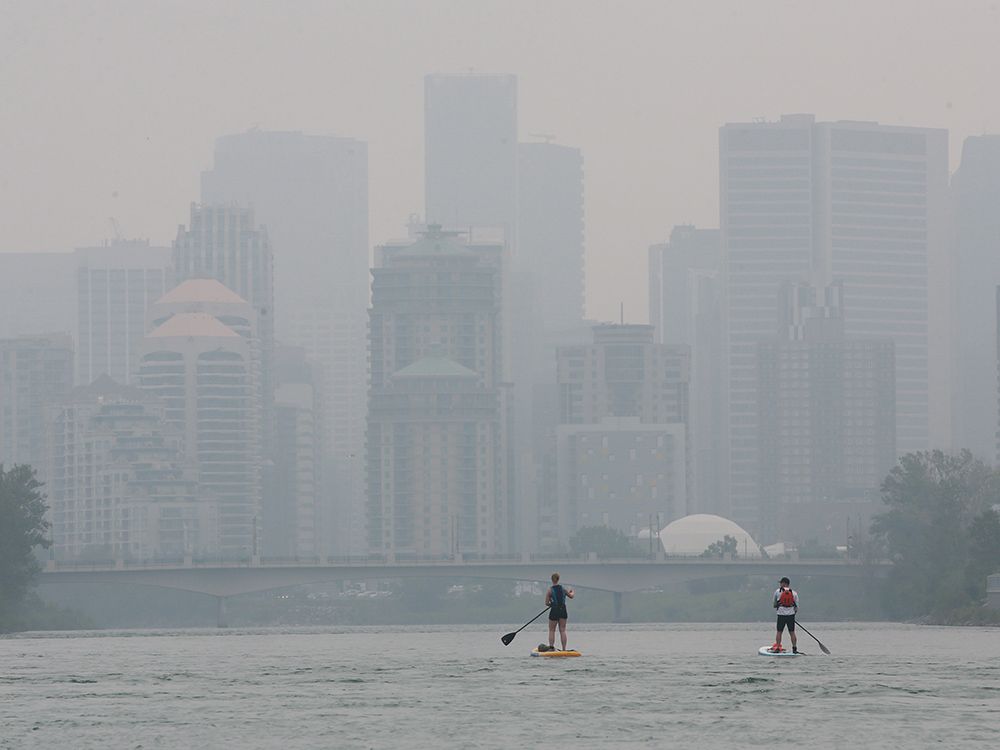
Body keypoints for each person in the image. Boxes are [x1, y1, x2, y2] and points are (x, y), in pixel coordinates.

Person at [544, 572, 575, 651]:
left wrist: (551, 603)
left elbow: (546, 603)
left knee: (551, 630)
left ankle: (551, 647)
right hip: (563, 611)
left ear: (552, 580)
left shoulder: (550, 590)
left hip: (554, 610)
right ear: (558, 579)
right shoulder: (563, 589)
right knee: (563, 630)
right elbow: (571, 596)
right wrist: (572, 592)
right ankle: (564, 649)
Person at [771, 576, 799, 653]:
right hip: (791, 615)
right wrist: (792, 614)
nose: (780, 584)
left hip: (781, 615)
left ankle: (777, 648)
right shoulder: (794, 593)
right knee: (792, 632)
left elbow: (774, 605)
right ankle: (794, 648)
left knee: (779, 632)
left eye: (781, 583)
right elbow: (796, 607)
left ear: (784, 583)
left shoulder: (777, 592)